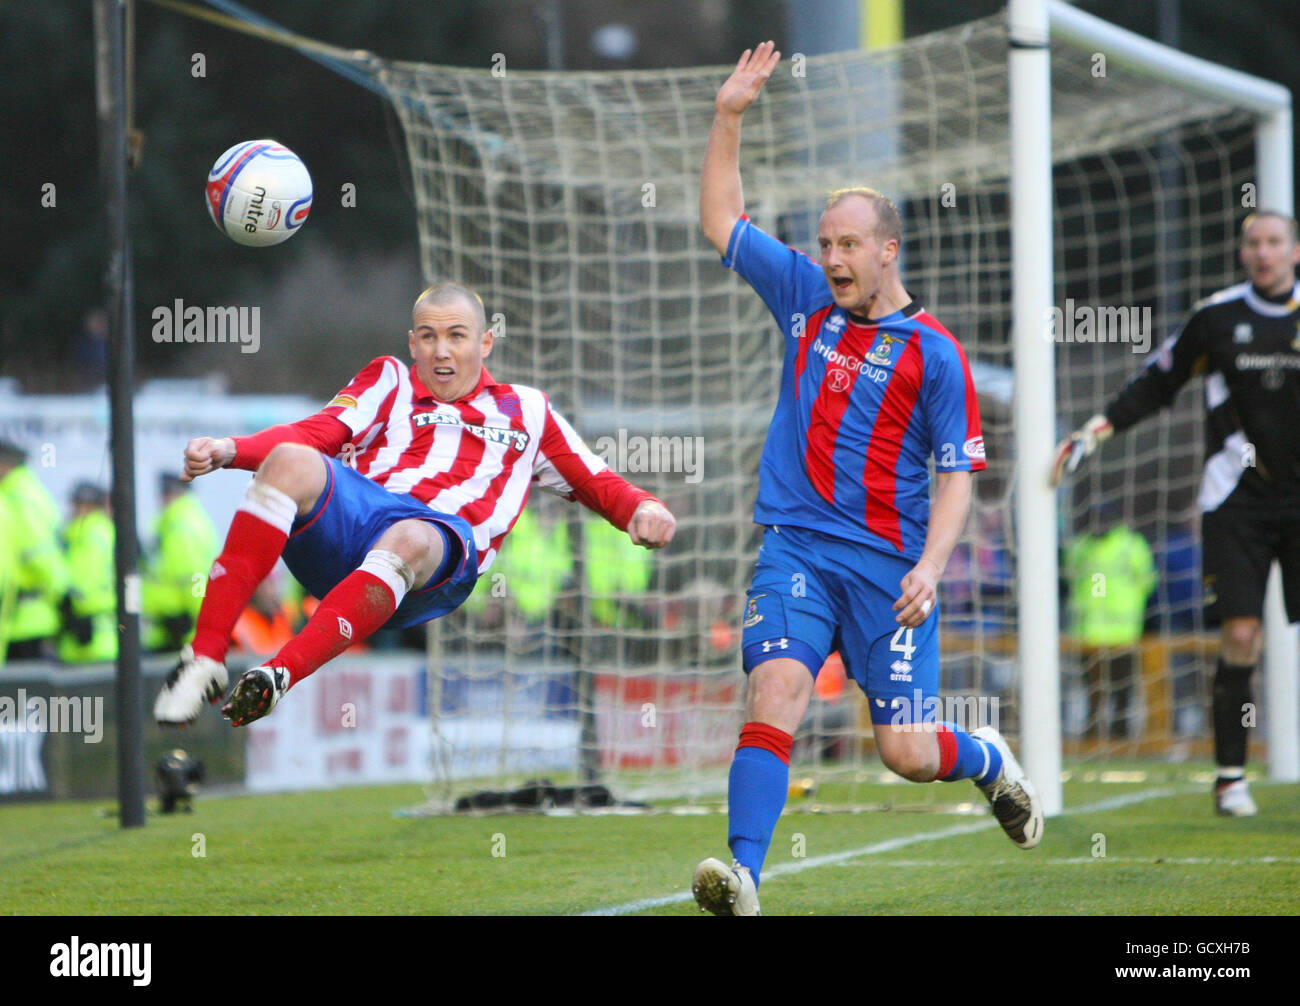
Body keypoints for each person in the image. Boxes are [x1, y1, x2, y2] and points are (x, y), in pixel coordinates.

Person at [690, 43, 1043, 916]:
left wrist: (931, 566)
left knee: (906, 753)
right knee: (775, 688)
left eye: (847, 244)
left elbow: (957, 477)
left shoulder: (936, 355)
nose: (832, 257)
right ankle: (745, 877)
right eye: (824, 244)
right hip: (797, 549)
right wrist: (729, 116)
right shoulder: (804, 296)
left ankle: (987, 758)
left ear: (888, 250)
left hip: (889, 571)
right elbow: (721, 219)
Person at [153, 282, 677, 727]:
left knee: (413, 536)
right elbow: (318, 431)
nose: (441, 351)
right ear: (413, 343)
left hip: (436, 560)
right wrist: (230, 449)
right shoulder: (389, 380)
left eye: (456, 336)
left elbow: (594, 479)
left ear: (486, 342)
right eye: (428, 337)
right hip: (355, 526)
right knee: (290, 458)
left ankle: (277, 675)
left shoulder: (527, 411)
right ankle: (203, 659)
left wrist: (643, 508)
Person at [1052, 209, 1300, 817]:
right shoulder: (1216, 319)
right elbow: (1157, 382)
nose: (1263, 252)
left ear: (1295, 251)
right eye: (1253, 242)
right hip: (1235, 501)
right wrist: (1094, 431)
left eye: (1274, 242)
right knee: (1240, 633)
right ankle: (1230, 778)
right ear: (1241, 253)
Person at [1062, 503, 1156, 741]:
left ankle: (1121, 738)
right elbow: (1071, 578)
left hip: (1123, 633)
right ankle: (1091, 739)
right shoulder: (1080, 547)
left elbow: (1147, 581)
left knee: (1122, 691)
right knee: (1092, 692)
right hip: (1088, 633)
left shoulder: (1131, 545)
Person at [0, 440, 67, 661]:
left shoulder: (16, 496)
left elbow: (38, 554)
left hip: (23, 616)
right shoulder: (29, 491)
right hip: (29, 612)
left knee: (22, 680)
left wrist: (59, 592)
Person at [142, 473, 219, 653]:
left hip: (178, 629)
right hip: (171, 627)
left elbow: (194, 576)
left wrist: (191, 617)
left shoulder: (179, 524)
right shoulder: (179, 521)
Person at [58, 482, 118, 664]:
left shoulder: (89, 532)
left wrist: (69, 602)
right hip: (98, 640)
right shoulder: (104, 531)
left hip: (89, 637)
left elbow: (84, 579)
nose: (77, 510)